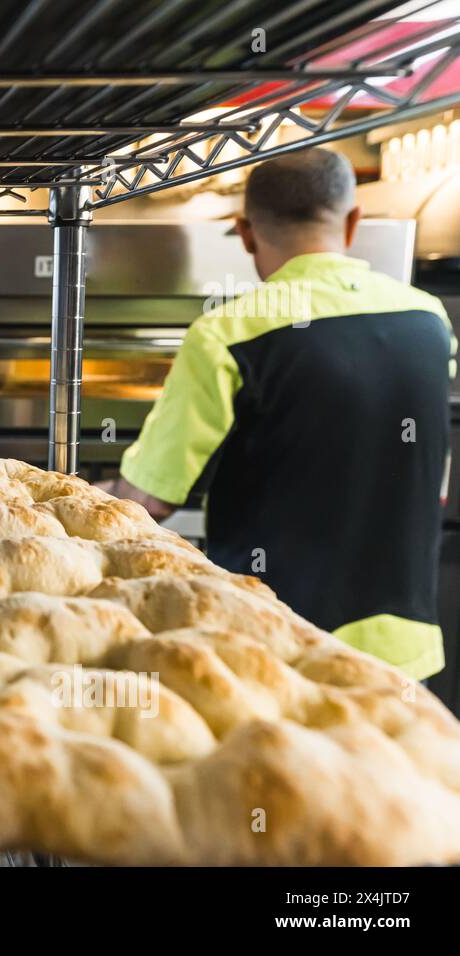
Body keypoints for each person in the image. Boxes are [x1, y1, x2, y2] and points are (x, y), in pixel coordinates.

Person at [96, 147, 455, 680]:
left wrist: (75, 494)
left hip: (278, 649)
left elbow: (152, 500)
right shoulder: (429, 318)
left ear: (245, 233)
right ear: (353, 222)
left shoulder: (228, 334)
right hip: (404, 654)